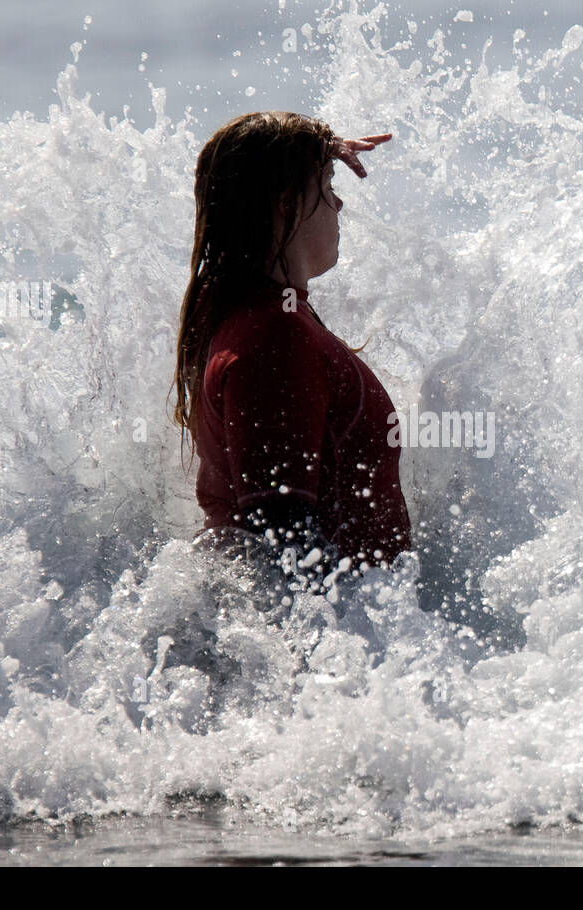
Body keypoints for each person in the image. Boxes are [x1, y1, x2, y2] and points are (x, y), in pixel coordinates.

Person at [170, 111, 412, 600]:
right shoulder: (275, 340)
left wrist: (305, 156)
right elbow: (279, 546)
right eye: (327, 186)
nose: (339, 203)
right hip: (335, 651)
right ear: (286, 205)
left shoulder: (244, 315)